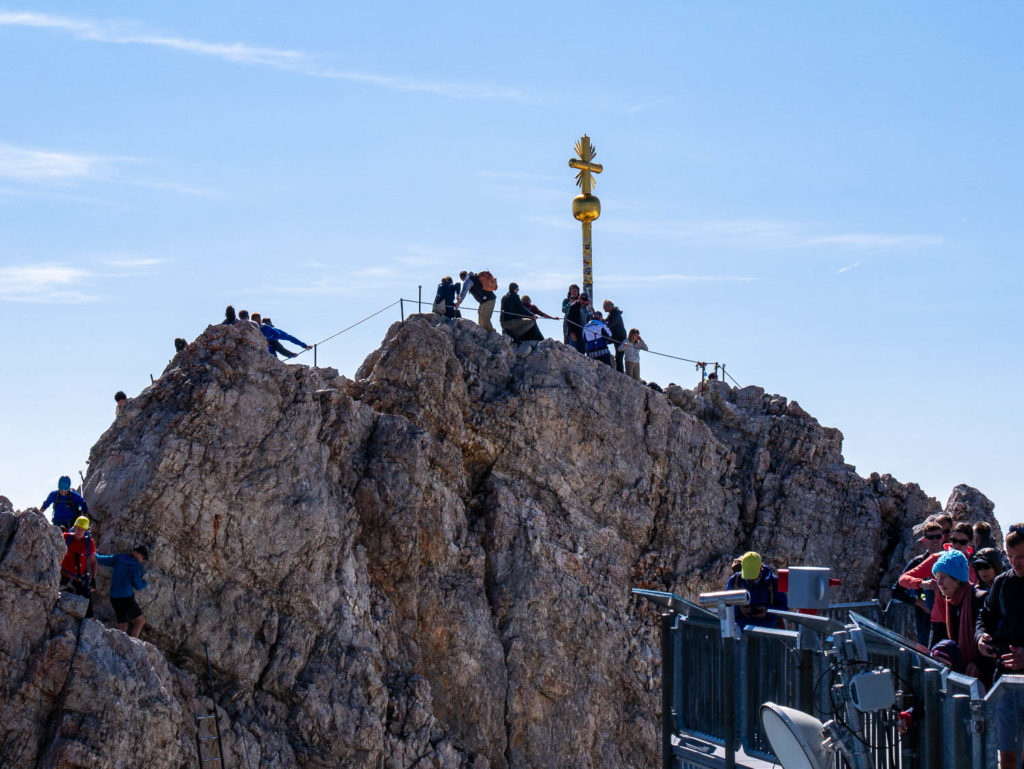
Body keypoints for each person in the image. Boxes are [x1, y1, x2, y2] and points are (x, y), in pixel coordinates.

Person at [977, 524, 1024, 769]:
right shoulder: (1001, 583)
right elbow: (985, 617)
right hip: (1006, 682)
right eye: (1010, 556)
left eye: (1022, 557)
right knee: (1007, 751)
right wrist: (981, 637)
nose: (1015, 563)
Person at [899, 527, 976, 646]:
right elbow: (903, 579)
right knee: (937, 661)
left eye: (962, 542)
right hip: (941, 623)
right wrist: (922, 583)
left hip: (966, 620)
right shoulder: (938, 559)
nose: (957, 545)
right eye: (954, 541)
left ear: (971, 542)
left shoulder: (973, 564)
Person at [933, 549, 988, 682]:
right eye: (937, 578)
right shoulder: (952, 602)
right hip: (963, 672)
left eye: (943, 578)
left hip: (982, 674)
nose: (939, 583)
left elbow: (988, 637)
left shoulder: (978, 599)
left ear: (957, 579)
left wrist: (978, 663)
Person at [893, 520, 946, 646]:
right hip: (925, 619)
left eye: (938, 537)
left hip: (946, 617)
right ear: (924, 540)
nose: (935, 540)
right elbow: (896, 590)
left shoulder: (949, 560)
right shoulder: (918, 562)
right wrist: (919, 602)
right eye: (930, 537)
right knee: (927, 654)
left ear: (943, 538)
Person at [725, 551, 788, 630]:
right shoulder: (734, 581)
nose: (751, 579)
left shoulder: (773, 582)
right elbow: (726, 605)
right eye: (748, 576)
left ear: (761, 568)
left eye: (753, 576)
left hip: (767, 633)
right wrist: (738, 608)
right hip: (742, 632)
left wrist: (767, 612)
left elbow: (784, 608)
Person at [97, 545, 149, 637]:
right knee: (140, 621)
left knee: (123, 625)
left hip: (114, 597)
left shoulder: (119, 557)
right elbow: (138, 586)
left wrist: (93, 553)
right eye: (143, 557)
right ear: (138, 555)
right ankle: (132, 647)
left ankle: (119, 646)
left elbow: (102, 559)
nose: (142, 560)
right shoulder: (135, 565)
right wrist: (145, 582)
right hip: (126, 598)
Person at [60, 516, 97, 618]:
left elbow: (93, 561)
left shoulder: (89, 542)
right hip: (63, 576)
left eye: (82, 529)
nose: (79, 531)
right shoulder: (66, 537)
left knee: (89, 611)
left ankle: (88, 627)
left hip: (79, 579)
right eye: (78, 528)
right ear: (74, 527)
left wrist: (93, 579)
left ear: (85, 531)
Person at [602, 300, 627, 373]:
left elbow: (610, 325)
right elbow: (606, 321)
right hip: (617, 337)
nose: (603, 308)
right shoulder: (613, 313)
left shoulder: (615, 314)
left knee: (619, 357)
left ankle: (620, 373)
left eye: (604, 306)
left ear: (608, 306)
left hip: (620, 338)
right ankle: (619, 372)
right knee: (618, 356)